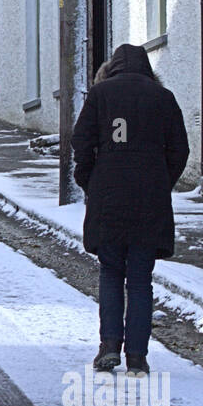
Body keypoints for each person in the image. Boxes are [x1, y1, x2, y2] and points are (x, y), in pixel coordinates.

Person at [73, 44, 189, 376]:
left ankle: (109, 346)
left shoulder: (100, 95)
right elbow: (179, 149)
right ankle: (137, 356)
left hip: (108, 197)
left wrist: (90, 181)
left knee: (111, 272)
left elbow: (81, 142)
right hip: (149, 200)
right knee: (140, 279)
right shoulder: (163, 98)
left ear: (112, 68)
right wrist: (160, 181)